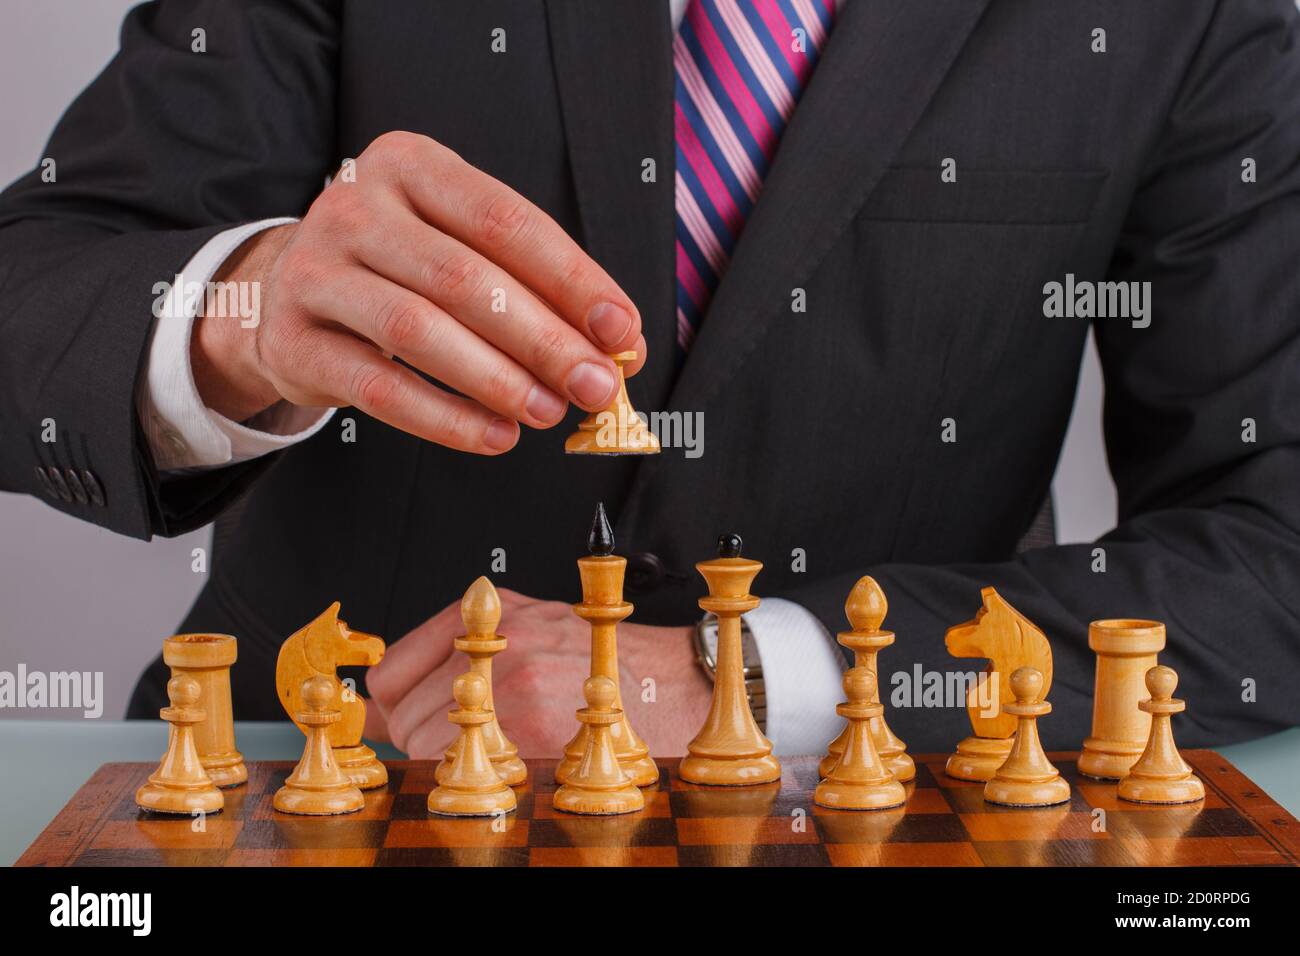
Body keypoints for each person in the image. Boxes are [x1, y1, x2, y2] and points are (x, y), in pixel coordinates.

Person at [1, 0, 1298, 759]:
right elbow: (33, 291)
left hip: (886, 805)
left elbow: (1276, 544)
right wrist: (247, 311)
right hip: (314, 769)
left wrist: (756, 682)